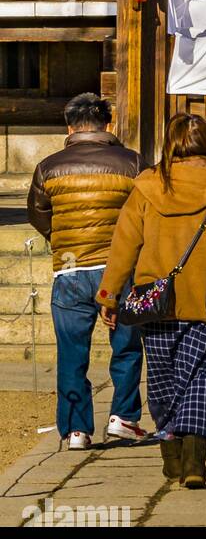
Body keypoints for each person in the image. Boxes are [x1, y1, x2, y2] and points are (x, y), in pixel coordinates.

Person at [97, 113, 206, 489]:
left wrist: (110, 295)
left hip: (157, 304)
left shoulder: (147, 190)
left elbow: (124, 246)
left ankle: (172, 457)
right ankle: (195, 460)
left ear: (169, 144)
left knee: (164, 381)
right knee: (201, 379)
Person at [26, 92, 144, 450]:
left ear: (70, 126)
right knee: (126, 347)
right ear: (109, 124)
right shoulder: (133, 163)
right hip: (119, 268)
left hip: (69, 269)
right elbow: (146, 212)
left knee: (71, 353)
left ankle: (77, 429)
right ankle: (123, 417)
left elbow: (38, 213)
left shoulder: (49, 166)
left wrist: (61, 240)